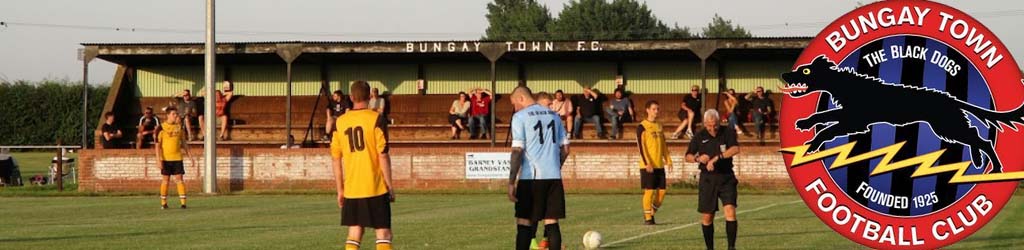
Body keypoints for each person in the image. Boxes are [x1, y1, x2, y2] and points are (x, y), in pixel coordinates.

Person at [331, 80, 395, 250]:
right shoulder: (377, 119)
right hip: (375, 186)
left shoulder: (340, 122)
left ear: (351, 97)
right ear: (369, 97)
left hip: (352, 188)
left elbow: (336, 159)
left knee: (354, 233)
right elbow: (383, 155)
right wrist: (389, 185)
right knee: (383, 234)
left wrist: (340, 190)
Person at [507, 86, 569, 250]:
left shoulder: (520, 117)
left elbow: (517, 151)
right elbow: (566, 149)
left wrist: (511, 182)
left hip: (531, 178)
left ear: (521, 98)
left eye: (514, 103)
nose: (515, 108)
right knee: (551, 221)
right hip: (554, 176)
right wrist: (556, 165)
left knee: (524, 221)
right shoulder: (554, 116)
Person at [686, 110, 741, 250]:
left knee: (730, 212)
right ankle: (710, 248)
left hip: (726, 177)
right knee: (707, 217)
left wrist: (718, 157)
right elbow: (688, 156)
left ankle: (731, 247)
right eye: (709, 125)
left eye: (715, 125)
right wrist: (698, 158)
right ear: (705, 124)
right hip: (708, 180)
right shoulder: (699, 136)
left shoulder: (727, 132)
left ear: (719, 122)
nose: (712, 128)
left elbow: (735, 148)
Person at [636, 100, 672, 225]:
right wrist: (647, 163)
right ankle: (648, 218)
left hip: (659, 165)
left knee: (662, 192)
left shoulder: (659, 126)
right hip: (648, 165)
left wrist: (668, 159)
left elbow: (664, 145)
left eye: (657, 109)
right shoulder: (642, 127)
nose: (656, 111)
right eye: (654, 109)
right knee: (649, 191)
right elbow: (641, 147)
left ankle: (651, 213)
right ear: (647, 110)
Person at [154, 107, 195, 209]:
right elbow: (157, 146)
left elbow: (184, 143)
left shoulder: (179, 128)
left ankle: (183, 203)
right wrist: (158, 160)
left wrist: (190, 156)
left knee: (179, 179)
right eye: (173, 114)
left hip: (177, 158)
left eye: (176, 114)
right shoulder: (161, 128)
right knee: (165, 180)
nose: (175, 116)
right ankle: (163, 203)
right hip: (165, 159)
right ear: (167, 115)